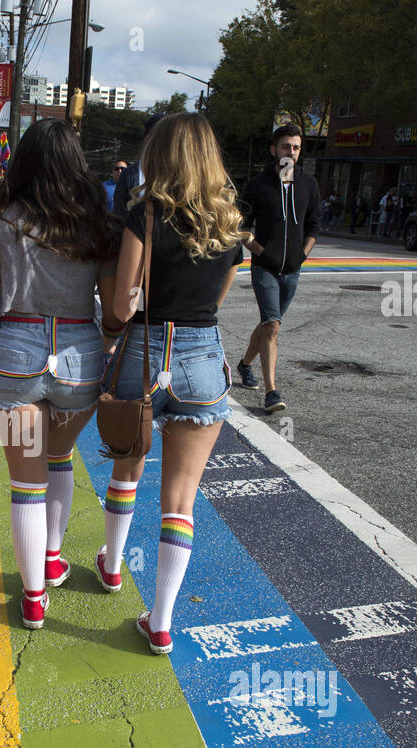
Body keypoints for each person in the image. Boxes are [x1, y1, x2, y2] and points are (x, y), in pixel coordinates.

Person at [96, 112, 247, 654]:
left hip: (143, 351)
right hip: (203, 358)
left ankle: (112, 567)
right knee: (180, 499)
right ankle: (160, 622)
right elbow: (216, 304)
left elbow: (121, 303)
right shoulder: (229, 223)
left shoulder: (146, 216)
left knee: (126, 462)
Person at [0, 119, 119, 631]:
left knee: (24, 483)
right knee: (60, 457)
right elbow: (115, 307)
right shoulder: (96, 224)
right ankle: (54, 558)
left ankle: (33, 599)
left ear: (24, 162)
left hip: (14, 356)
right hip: (79, 359)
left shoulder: (1, 221)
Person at [236, 124, 320, 414]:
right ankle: (272, 392)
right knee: (272, 325)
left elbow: (313, 227)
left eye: (296, 147)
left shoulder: (309, 184)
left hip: (293, 270)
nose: (291, 152)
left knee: (269, 324)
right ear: (274, 150)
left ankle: (245, 365)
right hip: (264, 268)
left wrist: (301, 255)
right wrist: (261, 252)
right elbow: (242, 228)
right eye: (286, 146)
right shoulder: (258, 185)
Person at [111, 114, 165, 223]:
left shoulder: (178, 174)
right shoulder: (129, 175)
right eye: (160, 135)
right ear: (147, 138)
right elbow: (118, 217)